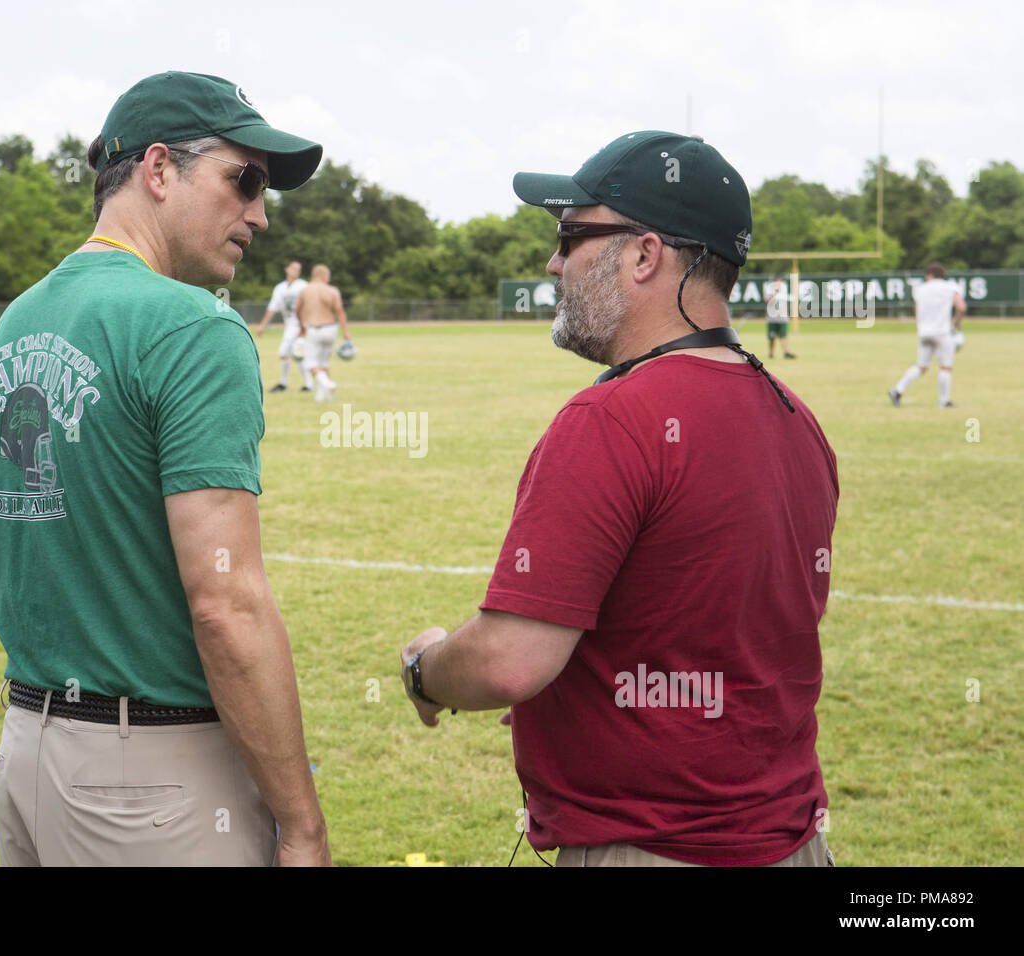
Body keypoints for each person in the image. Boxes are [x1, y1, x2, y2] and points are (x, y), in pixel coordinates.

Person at [399, 131, 839, 867]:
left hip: (652, 849)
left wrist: (426, 668)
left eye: (572, 236)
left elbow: (510, 661)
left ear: (644, 255)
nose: (553, 262)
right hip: (793, 843)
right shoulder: (795, 415)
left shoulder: (611, 419)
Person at [0, 71, 330, 866]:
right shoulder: (194, 327)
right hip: (153, 787)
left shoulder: (19, 321)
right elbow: (226, 605)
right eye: (244, 180)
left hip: (28, 751)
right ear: (159, 170)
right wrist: (302, 824)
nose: (261, 214)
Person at [888, 263, 966, 408]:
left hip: (924, 332)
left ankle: (897, 390)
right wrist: (957, 323)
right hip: (942, 332)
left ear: (929, 275)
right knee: (946, 367)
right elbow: (961, 307)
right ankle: (944, 401)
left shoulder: (920, 289)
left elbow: (916, 311)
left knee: (922, 366)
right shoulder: (950, 287)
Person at [255, 260, 313, 392]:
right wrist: (262, 325)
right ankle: (305, 384)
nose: (296, 271)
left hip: (300, 323)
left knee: (286, 352)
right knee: (296, 353)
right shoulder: (280, 287)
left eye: (298, 269)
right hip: (290, 323)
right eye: (294, 268)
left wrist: (305, 324)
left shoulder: (303, 285)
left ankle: (286, 384)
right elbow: (272, 308)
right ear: (287, 269)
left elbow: (310, 305)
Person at [296, 264, 351, 402]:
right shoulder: (332, 290)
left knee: (310, 363)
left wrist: (302, 325)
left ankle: (327, 384)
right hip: (331, 329)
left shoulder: (305, 290)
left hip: (314, 329)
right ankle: (323, 396)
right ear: (323, 275)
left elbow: (297, 310)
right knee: (324, 363)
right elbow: (339, 311)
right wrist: (345, 331)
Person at [765, 274, 796, 358]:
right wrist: (775, 292)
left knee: (784, 335)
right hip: (772, 318)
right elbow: (767, 301)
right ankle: (771, 353)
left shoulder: (784, 290)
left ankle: (786, 352)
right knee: (772, 337)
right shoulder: (769, 290)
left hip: (782, 317)